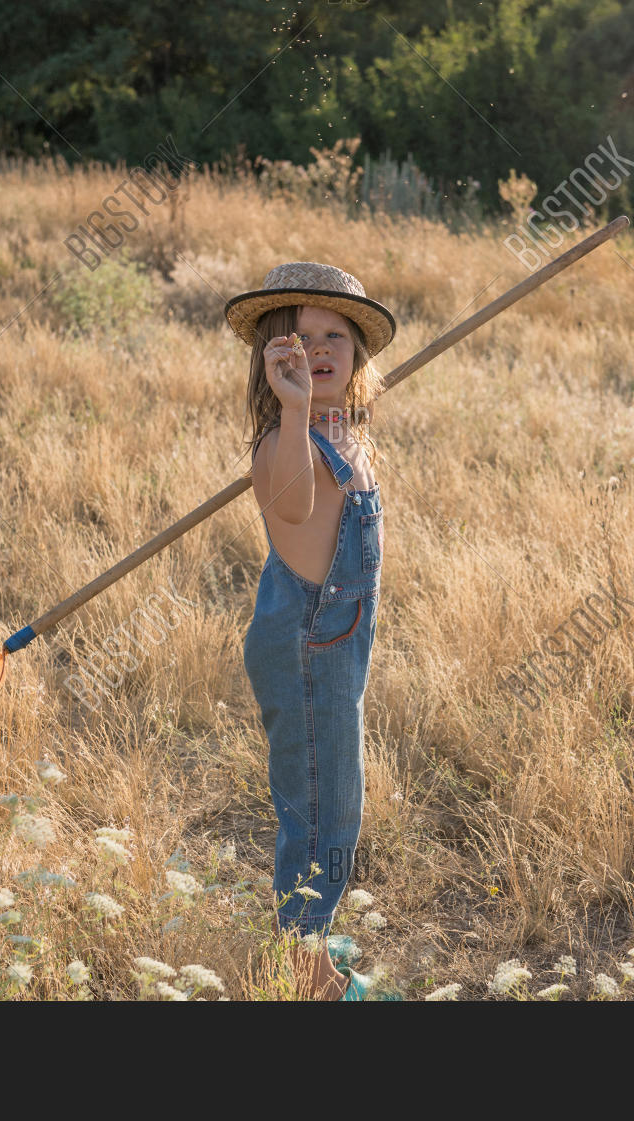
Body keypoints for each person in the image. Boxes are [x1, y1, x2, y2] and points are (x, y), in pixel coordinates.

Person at [224, 262, 395, 1000]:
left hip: (335, 649)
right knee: (321, 810)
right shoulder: (281, 447)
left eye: (336, 337)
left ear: (357, 355)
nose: (319, 349)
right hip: (304, 653)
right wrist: (295, 411)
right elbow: (292, 508)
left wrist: (325, 410)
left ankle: (313, 935)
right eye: (298, 341)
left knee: (337, 796)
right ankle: (306, 973)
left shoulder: (346, 433)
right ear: (272, 359)